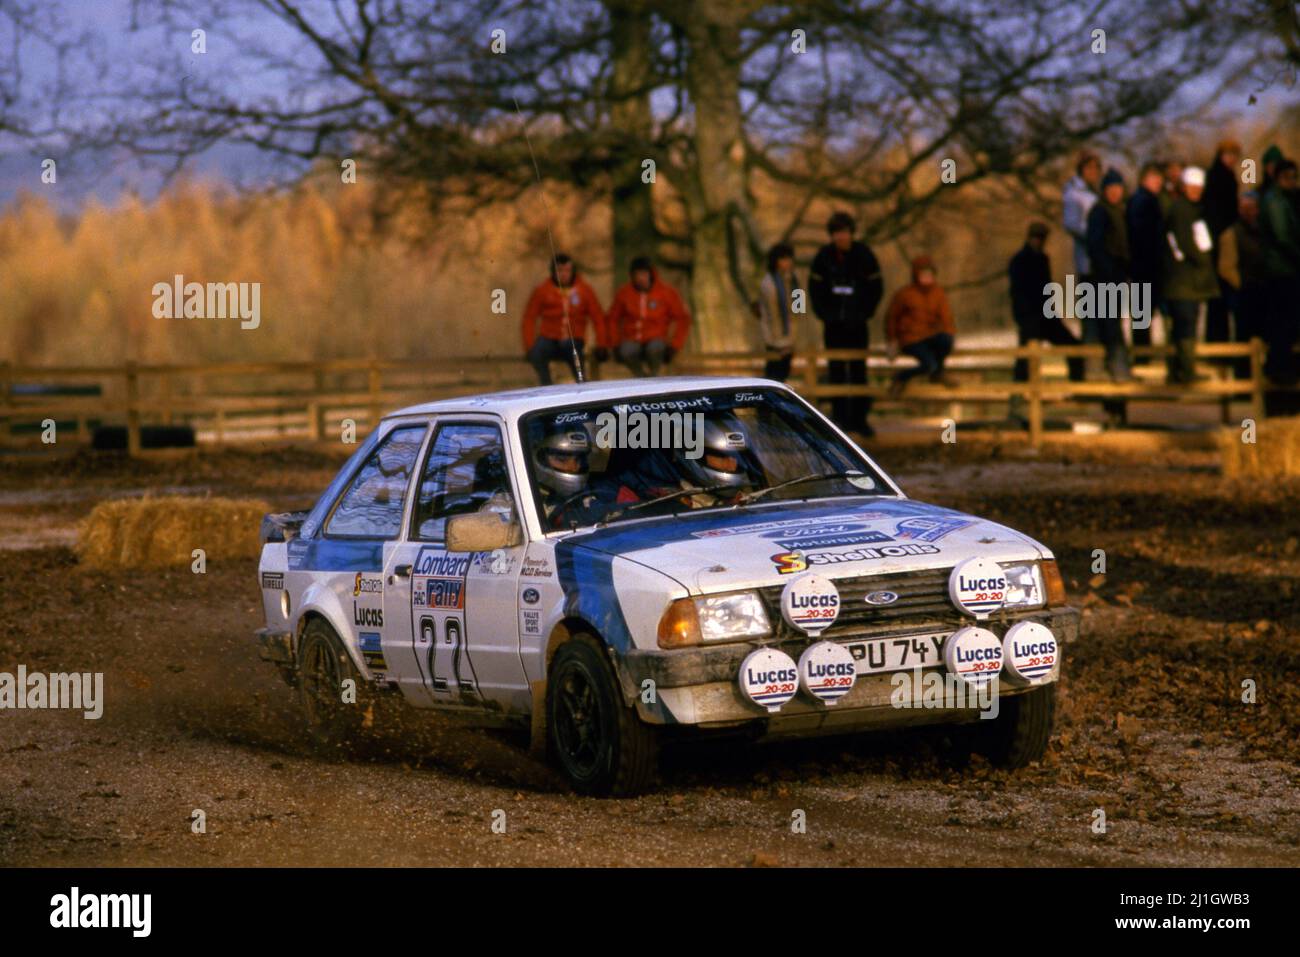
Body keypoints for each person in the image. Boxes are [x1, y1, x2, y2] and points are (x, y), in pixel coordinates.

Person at [808, 211, 884, 436]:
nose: (841, 237)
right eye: (836, 233)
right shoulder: (822, 258)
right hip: (833, 326)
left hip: (858, 325)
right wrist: (826, 315)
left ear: (851, 233)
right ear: (831, 235)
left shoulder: (865, 255)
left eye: (844, 232)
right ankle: (839, 420)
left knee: (859, 371)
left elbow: (876, 288)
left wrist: (864, 313)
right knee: (837, 371)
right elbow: (814, 291)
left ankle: (860, 420)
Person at [1009, 222, 1084, 389]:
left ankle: (1078, 387)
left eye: (1041, 238)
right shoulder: (1020, 261)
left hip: (1045, 317)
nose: (1038, 241)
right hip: (1030, 319)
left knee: (1074, 347)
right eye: (1036, 237)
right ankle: (1019, 396)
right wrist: (1025, 319)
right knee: (1025, 360)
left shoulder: (1042, 259)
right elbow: (1018, 294)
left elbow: (1046, 290)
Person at [1162, 167, 1219, 384]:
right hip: (1182, 281)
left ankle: (1181, 369)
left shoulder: (1192, 210)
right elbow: (1185, 242)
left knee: (1186, 323)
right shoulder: (1182, 210)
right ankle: (1185, 371)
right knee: (1185, 324)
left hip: (1187, 281)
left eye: (1199, 187)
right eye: (1192, 187)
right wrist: (1203, 260)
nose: (1196, 191)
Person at [520, 254, 606, 385]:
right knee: (537, 353)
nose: (564, 274)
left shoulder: (584, 290)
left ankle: (582, 386)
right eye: (560, 270)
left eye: (567, 270)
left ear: (573, 271)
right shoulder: (542, 290)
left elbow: (598, 318)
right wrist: (529, 346)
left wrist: (602, 344)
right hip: (549, 338)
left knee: (575, 355)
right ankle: (547, 386)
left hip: (574, 339)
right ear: (553, 272)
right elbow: (529, 318)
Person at [1086, 167, 1134, 382]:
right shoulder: (1100, 212)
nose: (1115, 192)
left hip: (1117, 276)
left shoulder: (1120, 212)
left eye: (1118, 188)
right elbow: (1095, 246)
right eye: (1111, 188)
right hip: (1106, 278)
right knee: (1110, 325)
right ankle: (1118, 370)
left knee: (1113, 322)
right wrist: (1108, 270)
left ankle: (1115, 369)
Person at [605, 256, 691, 377]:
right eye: (637, 275)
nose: (641, 278)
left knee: (655, 349)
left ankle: (655, 376)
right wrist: (614, 344)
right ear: (632, 276)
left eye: (644, 274)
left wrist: (675, 345)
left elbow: (683, 318)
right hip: (632, 339)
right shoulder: (624, 293)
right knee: (626, 351)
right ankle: (642, 377)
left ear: (651, 274)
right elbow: (612, 318)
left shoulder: (666, 292)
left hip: (656, 339)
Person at [884, 255, 956, 397]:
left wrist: (949, 333)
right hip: (910, 338)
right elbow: (891, 317)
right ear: (916, 275)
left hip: (930, 335)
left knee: (946, 340)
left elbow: (946, 317)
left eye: (930, 274)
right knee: (929, 364)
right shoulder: (904, 294)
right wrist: (892, 340)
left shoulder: (938, 293)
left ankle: (937, 373)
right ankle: (901, 377)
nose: (927, 277)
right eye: (923, 274)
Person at [1217, 191, 1269, 378]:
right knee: (1244, 340)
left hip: (1265, 293)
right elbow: (1226, 267)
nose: (1250, 212)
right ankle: (1244, 382)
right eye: (1245, 208)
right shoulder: (1231, 234)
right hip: (1245, 296)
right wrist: (1243, 285)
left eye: (1253, 208)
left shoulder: (1264, 232)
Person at [1260, 160, 1300, 385]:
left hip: (1283, 266)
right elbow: (1282, 235)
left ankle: (1283, 367)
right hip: (1281, 269)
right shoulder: (1276, 201)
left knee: (1286, 320)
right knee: (1283, 320)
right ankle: (1280, 368)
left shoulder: (1284, 200)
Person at [1063, 151, 1103, 360]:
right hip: (1088, 264)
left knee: (1107, 316)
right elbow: (1071, 224)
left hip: (1104, 265)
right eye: (1089, 168)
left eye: (1097, 168)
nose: (1093, 172)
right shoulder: (1073, 194)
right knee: (1091, 319)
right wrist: (1096, 236)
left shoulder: (1097, 192)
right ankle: (1091, 368)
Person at [1202, 139, 1242, 346]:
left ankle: (1220, 341)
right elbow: (1216, 212)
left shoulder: (1228, 176)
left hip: (1224, 239)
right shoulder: (1218, 177)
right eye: (1228, 154)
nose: (1232, 159)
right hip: (1220, 241)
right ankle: (1218, 343)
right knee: (1220, 295)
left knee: (1223, 297)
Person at [1126, 162, 1166, 362]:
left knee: (1143, 317)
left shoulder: (1149, 200)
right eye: (1155, 178)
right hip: (1146, 267)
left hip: (1147, 267)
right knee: (1142, 316)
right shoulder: (1143, 201)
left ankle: (1144, 357)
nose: (1159, 182)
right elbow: (1141, 236)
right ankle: (1142, 359)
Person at [532, 424, 593, 528]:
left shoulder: (595, 491)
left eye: (578, 459)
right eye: (561, 459)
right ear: (540, 459)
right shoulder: (523, 502)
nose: (573, 467)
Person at [757, 243, 800, 381]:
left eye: (789, 258)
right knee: (773, 377)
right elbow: (770, 316)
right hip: (774, 342)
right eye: (783, 259)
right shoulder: (768, 283)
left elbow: (799, 311)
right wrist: (778, 343)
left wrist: (792, 340)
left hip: (790, 340)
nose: (787, 262)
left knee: (783, 377)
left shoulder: (795, 281)